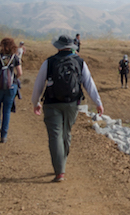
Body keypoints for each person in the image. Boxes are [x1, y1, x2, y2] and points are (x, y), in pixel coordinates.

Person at [30, 35, 103, 182]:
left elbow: (38, 84)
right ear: (72, 47)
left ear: (58, 46)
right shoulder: (79, 62)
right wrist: (98, 102)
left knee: (55, 135)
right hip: (72, 103)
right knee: (66, 133)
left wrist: (35, 102)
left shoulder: (49, 62)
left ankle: (59, 171)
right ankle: (61, 164)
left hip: (51, 103)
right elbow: (89, 83)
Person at [0, 37, 23, 143]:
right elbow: (20, 73)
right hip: (11, 87)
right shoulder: (15, 58)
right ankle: (4, 136)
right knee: (7, 110)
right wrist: (13, 79)